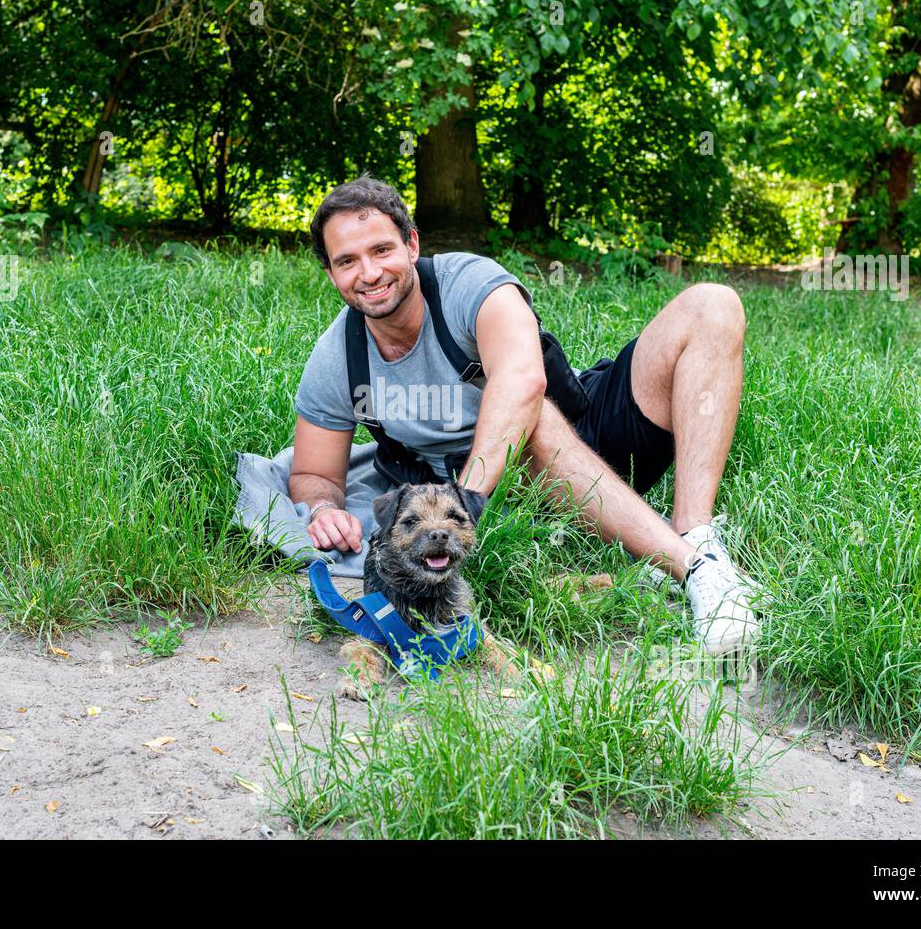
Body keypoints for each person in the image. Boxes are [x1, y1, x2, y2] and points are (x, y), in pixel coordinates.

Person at [289, 175, 764, 654]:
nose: (369, 273)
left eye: (381, 250)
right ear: (331, 273)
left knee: (712, 304)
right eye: (347, 261)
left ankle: (697, 542)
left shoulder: (468, 284)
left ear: (412, 244)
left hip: (587, 435)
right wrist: (326, 510)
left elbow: (523, 383)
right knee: (530, 432)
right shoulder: (338, 356)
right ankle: (690, 568)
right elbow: (312, 472)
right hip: (517, 500)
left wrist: (464, 505)